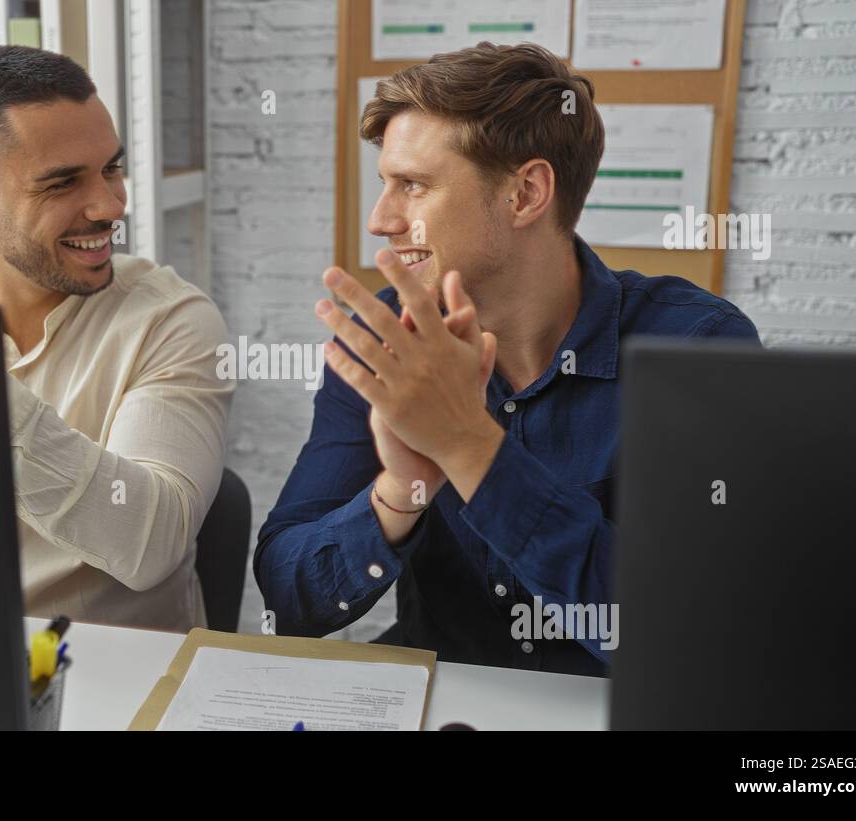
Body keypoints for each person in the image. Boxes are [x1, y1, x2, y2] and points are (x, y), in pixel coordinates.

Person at [256, 42, 759, 674]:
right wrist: (398, 494)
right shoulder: (385, 338)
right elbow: (286, 597)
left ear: (524, 193)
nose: (381, 219)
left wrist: (470, 450)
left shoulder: (697, 349)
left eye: (413, 185)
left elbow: (692, 636)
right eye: (385, 184)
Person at [0, 46, 232, 631]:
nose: (111, 206)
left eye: (112, 168)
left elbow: (152, 543)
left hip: (119, 689)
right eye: (63, 183)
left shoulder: (170, 320)